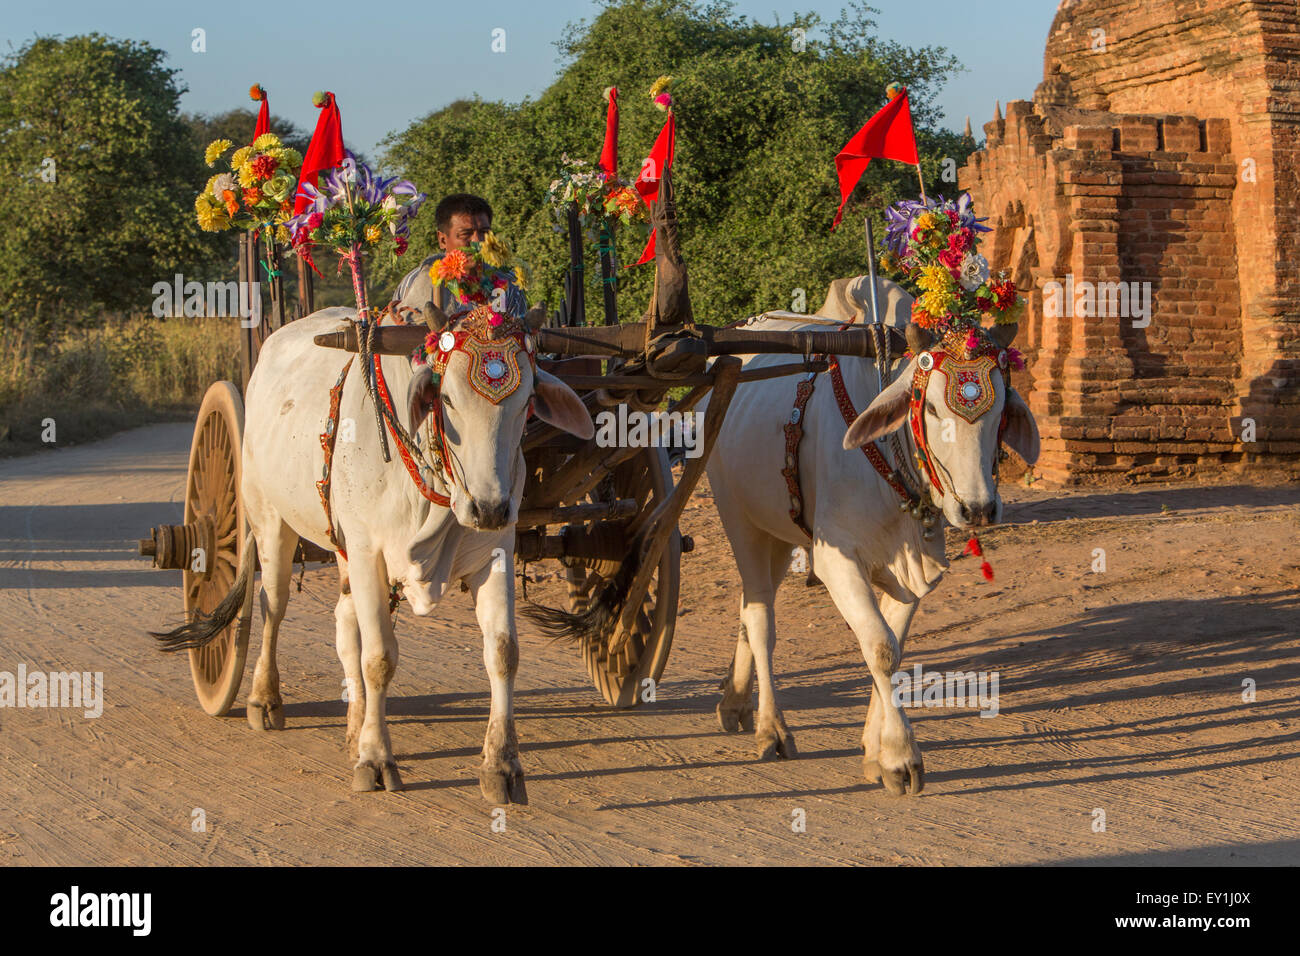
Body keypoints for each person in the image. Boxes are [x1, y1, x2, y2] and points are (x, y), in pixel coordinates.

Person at [392, 193, 526, 317]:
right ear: (442, 240)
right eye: (465, 234)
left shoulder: (508, 283)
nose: (477, 241)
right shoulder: (414, 282)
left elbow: (519, 335)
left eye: (484, 232)